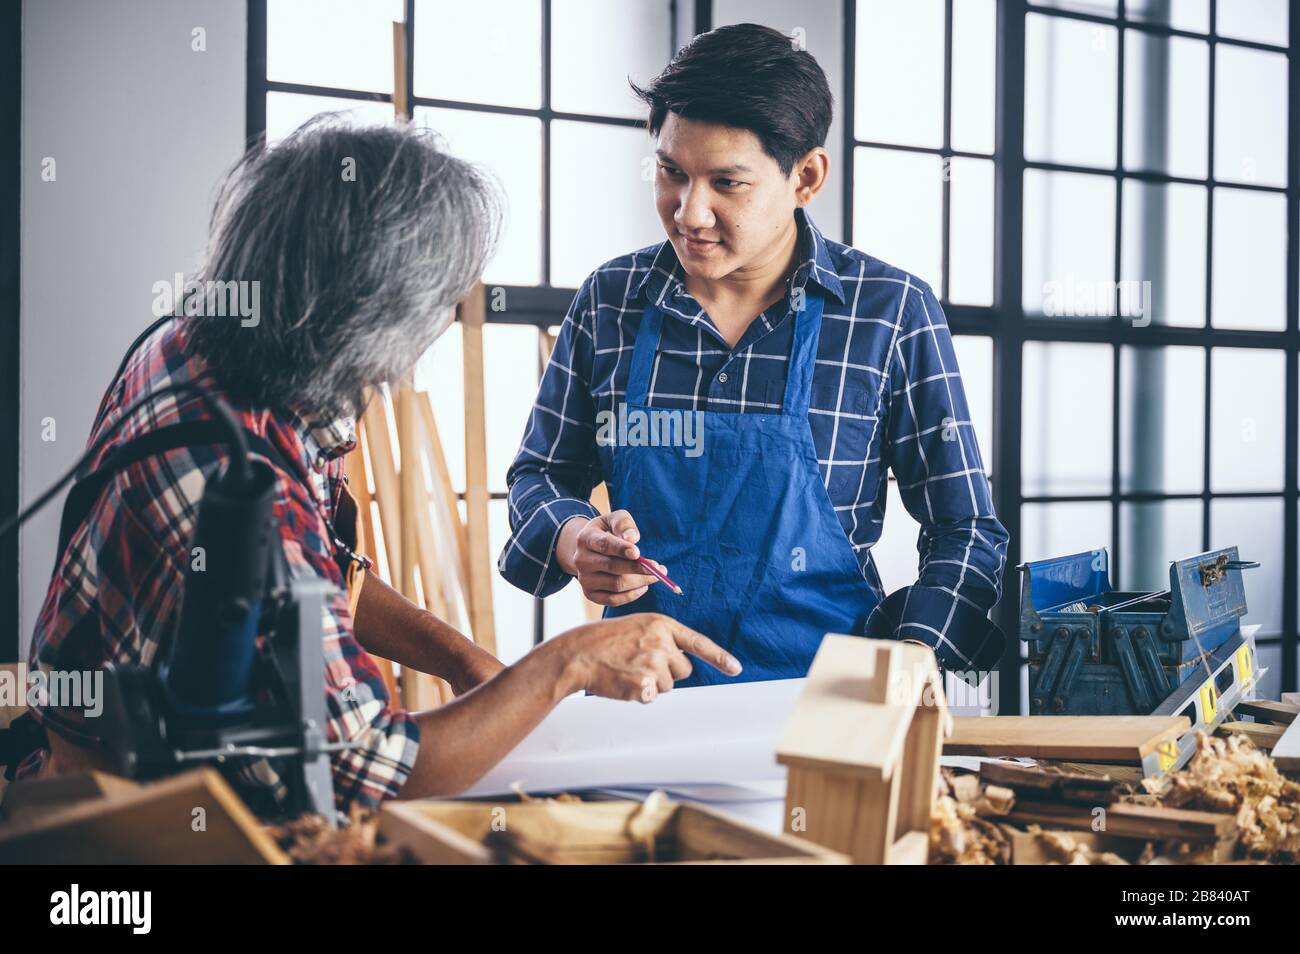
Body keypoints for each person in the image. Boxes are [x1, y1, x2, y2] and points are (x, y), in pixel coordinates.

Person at [15, 117, 739, 817]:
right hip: (130, 822)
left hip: (118, 761)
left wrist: (463, 662)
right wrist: (565, 666)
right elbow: (369, 769)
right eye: (438, 306)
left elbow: (328, 574)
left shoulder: (196, 347)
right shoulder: (246, 484)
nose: (441, 325)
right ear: (371, 316)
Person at [500, 24, 1008, 687]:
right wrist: (574, 540)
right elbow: (541, 472)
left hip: (831, 706)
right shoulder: (611, 301)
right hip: (645, 697)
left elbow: (965, 526)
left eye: (726, 183)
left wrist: (911, 663)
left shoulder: (888, 312)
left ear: (806, 176)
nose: (689, 212)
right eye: (671, 173)